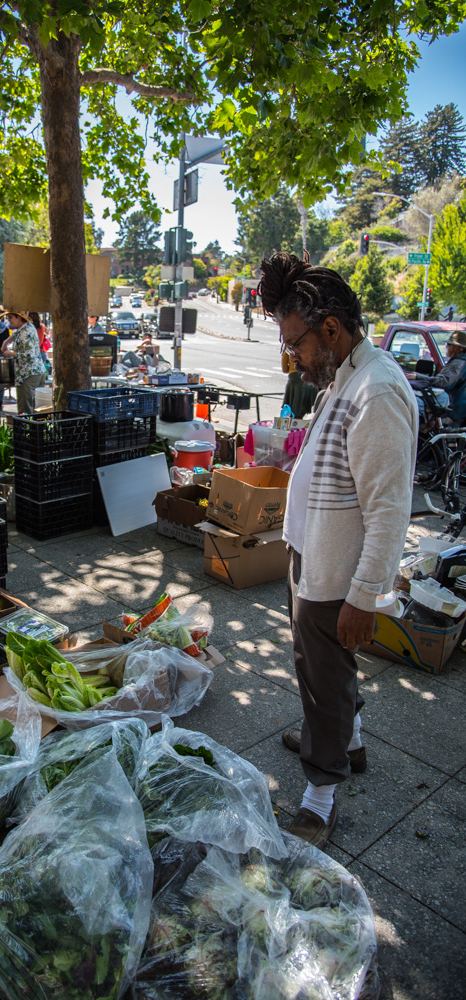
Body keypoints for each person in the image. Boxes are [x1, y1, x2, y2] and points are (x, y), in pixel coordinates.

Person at [259, 251, 418, 849]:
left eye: (295, 343)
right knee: (320, 667)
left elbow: (388, 510)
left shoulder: (376, 392)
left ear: (331, 328)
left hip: (337, 576)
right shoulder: (344, 376)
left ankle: (321, 797)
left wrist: (364, 597)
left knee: (322, 678)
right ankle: (345, 738)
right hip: (314, 556)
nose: (291, 359)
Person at [407, 330, 466, 424]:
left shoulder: (458, 363)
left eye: (449, 344)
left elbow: (444, 382)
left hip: (458, 411)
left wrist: (418, 377)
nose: (447, 346)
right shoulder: (460, 361)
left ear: (457, 347)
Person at [1, 308, 46, 413]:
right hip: (36, 372)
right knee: (37, 410)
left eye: (10, 317)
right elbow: (15, 334)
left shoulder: (26, 331)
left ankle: (27, 429)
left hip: (28, 374)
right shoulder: (26, 327)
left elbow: (29, 355)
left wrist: (11, 353)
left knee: (25, 411)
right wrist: (5, 342)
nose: (9, 320)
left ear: (19, 317)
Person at [281, 348, 319, 419]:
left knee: (292, 412)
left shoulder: (288, 349)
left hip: (295, 381)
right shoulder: (312, 345)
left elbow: (284, 369)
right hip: (311, 381)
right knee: (304, 410)